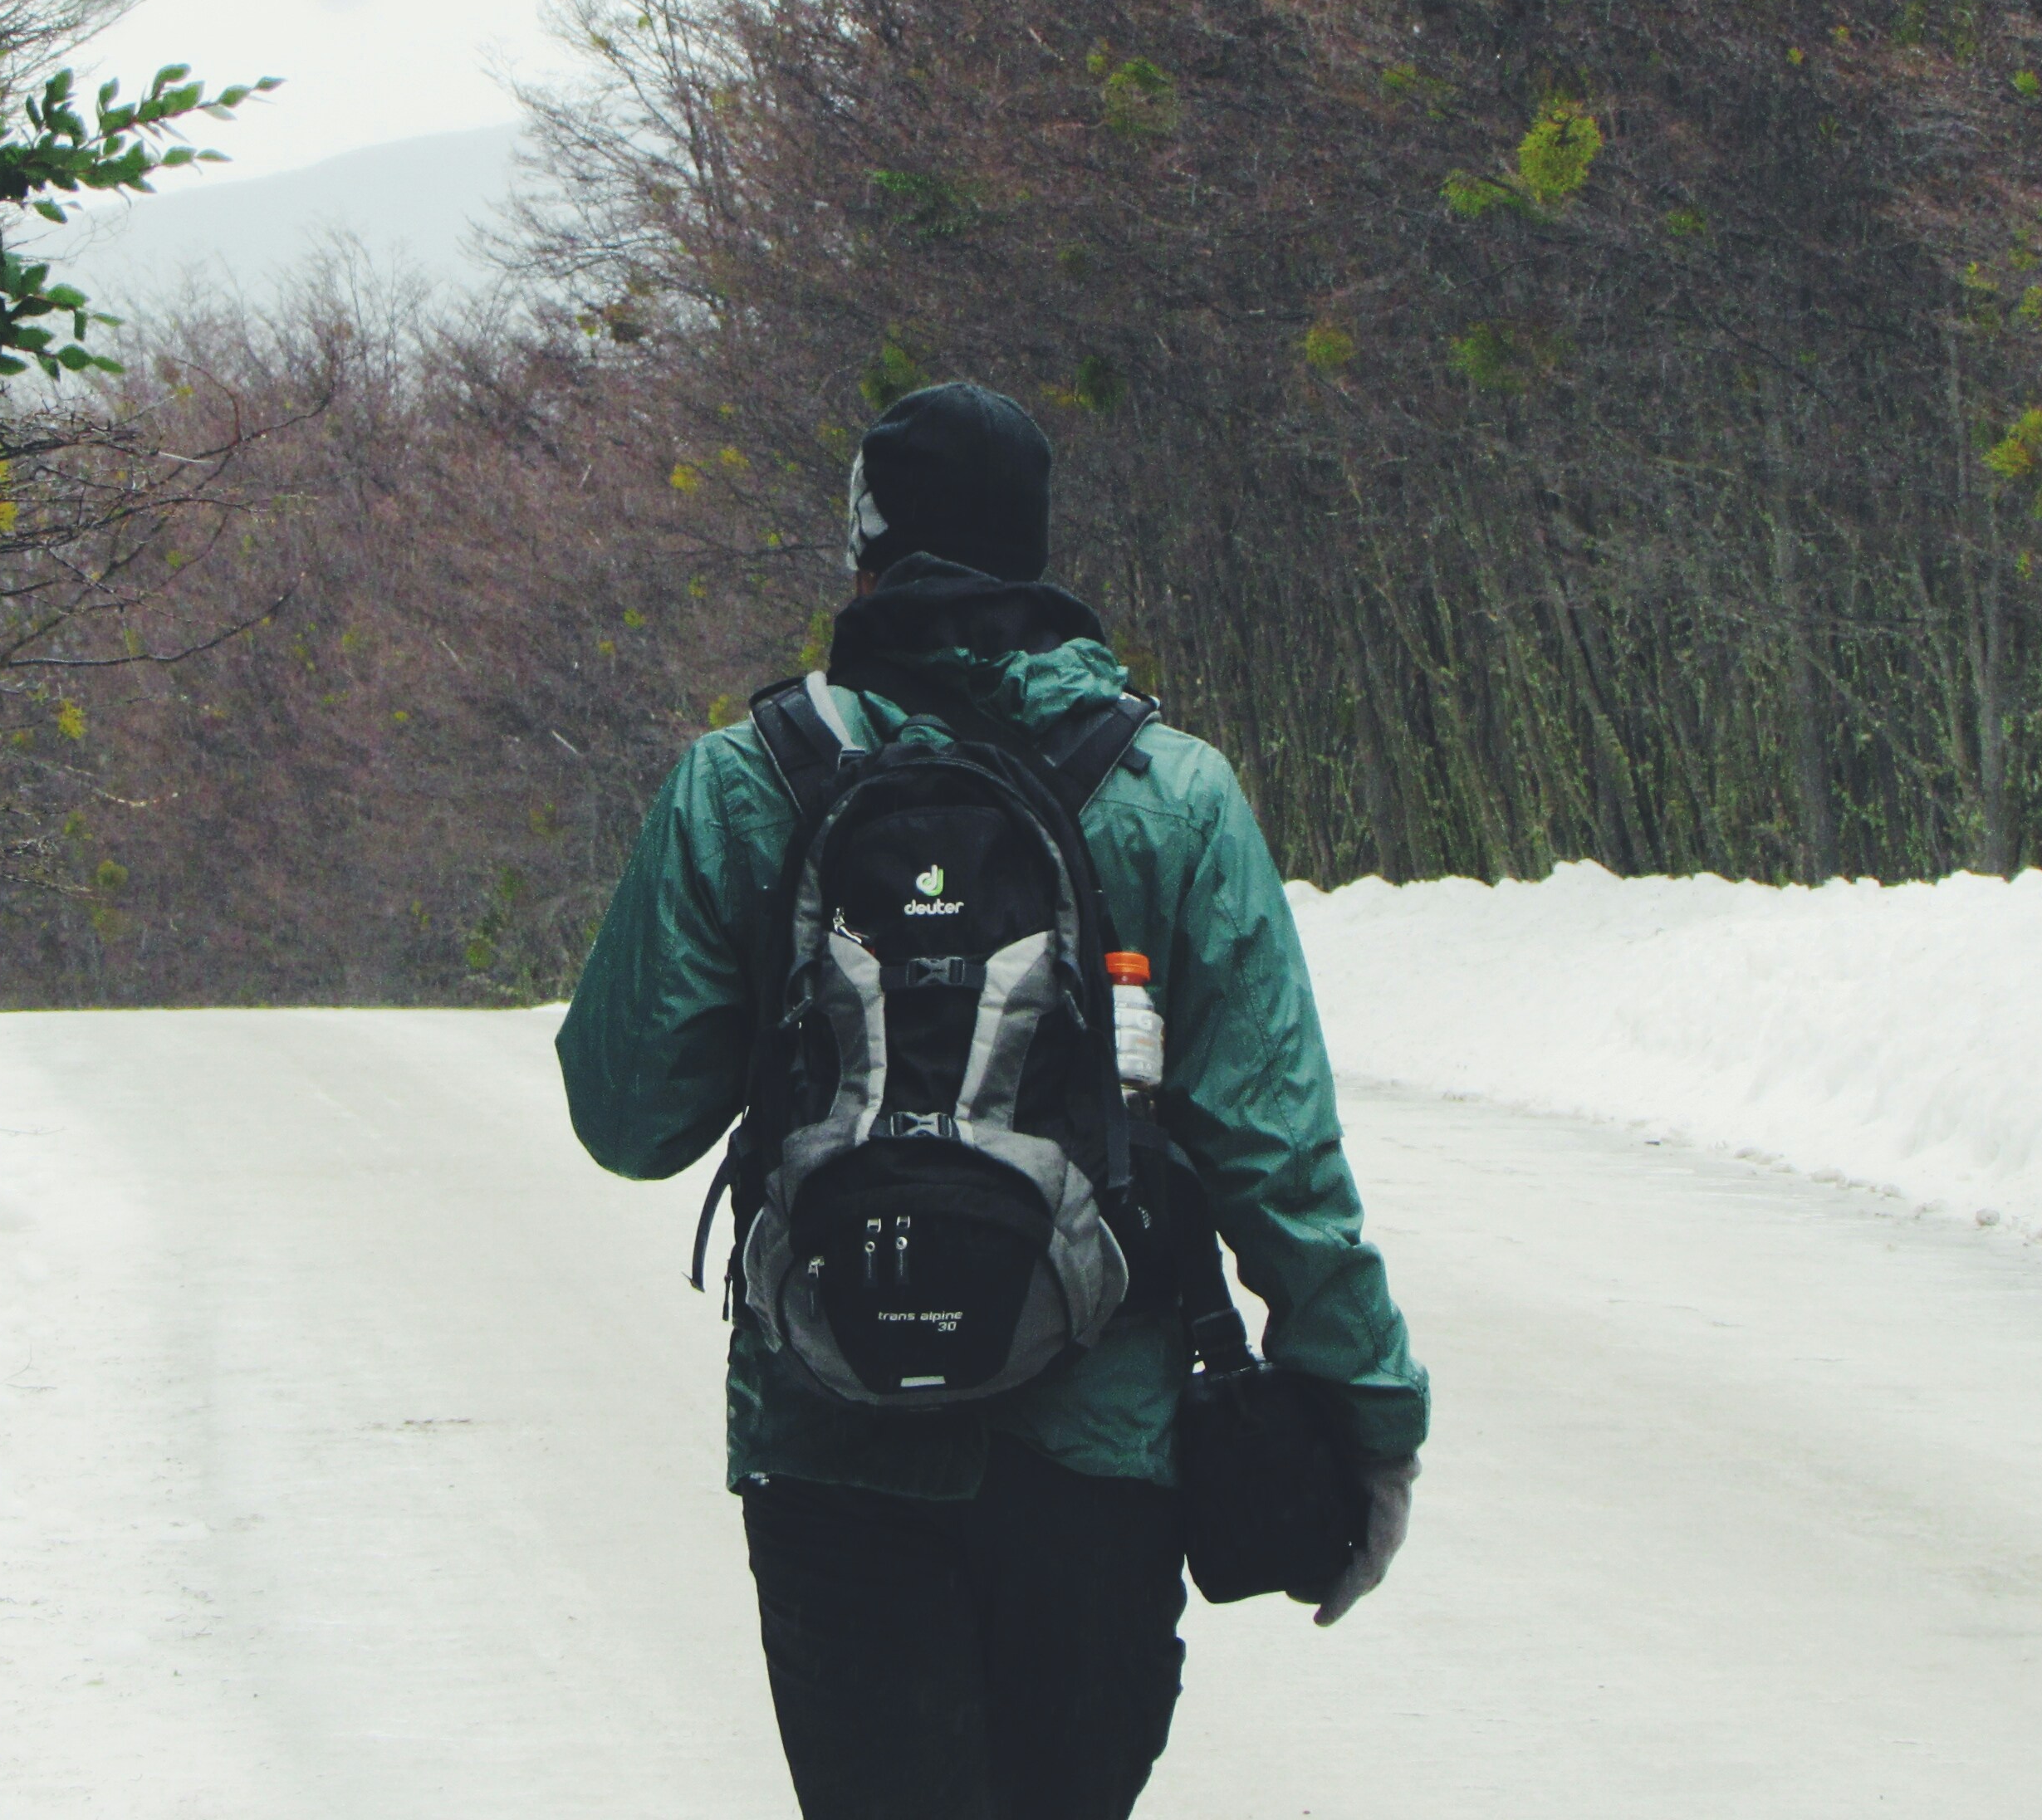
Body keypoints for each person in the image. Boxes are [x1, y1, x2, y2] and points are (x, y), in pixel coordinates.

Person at [557, 379, 1429, 1820]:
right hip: (1097, 1463)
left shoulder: (745, 781)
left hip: (831, 1447)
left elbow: (627, 1115)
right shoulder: (1172, 793)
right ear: (1034, 551)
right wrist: (1370, 1417)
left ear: (866, 551)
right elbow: (1279, 1156)